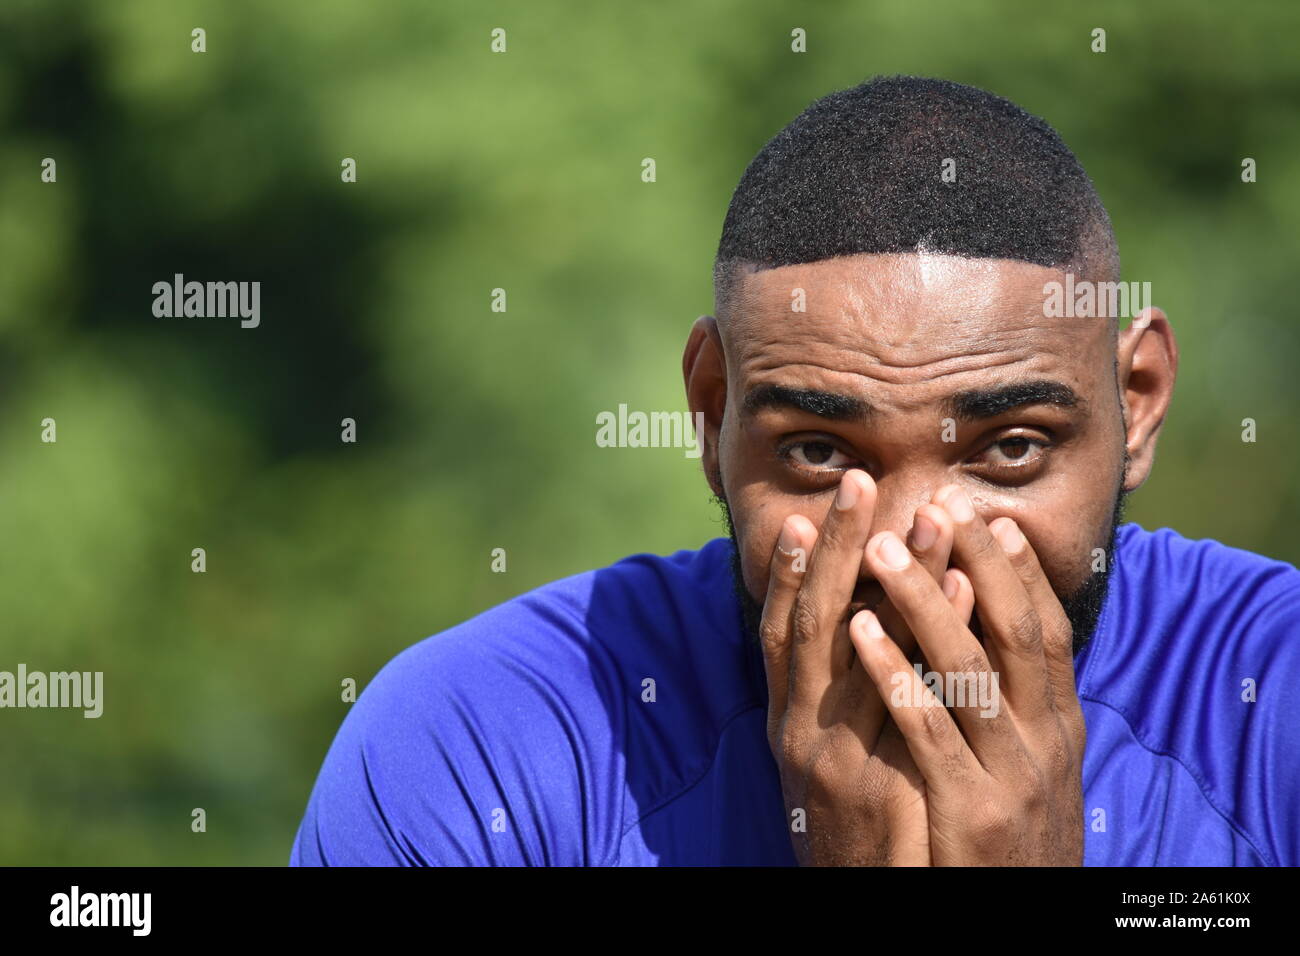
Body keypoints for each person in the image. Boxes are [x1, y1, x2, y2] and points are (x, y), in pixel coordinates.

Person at [290, 76, 1300, 866]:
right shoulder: (483, 746)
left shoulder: (1272, 706)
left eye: (1010, 448)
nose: (915, 551)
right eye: (820, 455)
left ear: (1136, 401)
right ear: (712, 413)